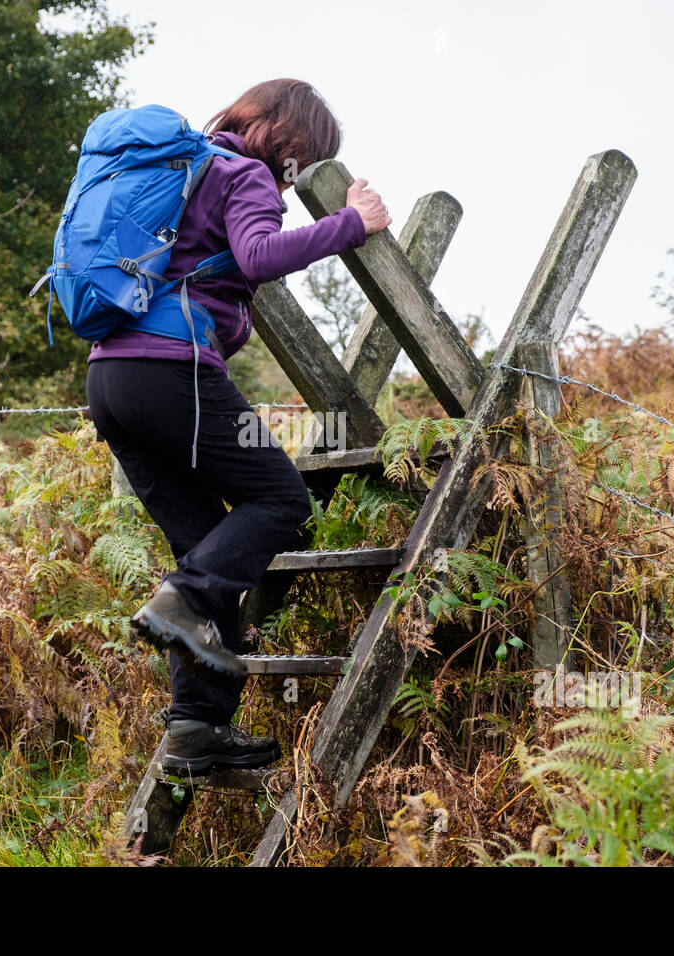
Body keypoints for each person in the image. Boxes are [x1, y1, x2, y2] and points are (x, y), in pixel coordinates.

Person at [86, 78, 391, 774]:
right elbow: (257, 256)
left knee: (204, 546)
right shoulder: (244, 173)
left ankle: (196, 728)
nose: (300, 176)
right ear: (292, 141)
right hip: (170, 373)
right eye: (309, 160)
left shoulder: (181, 171)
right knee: (280, 500)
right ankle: (183, 600)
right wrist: (352, 224)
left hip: (110, 381)